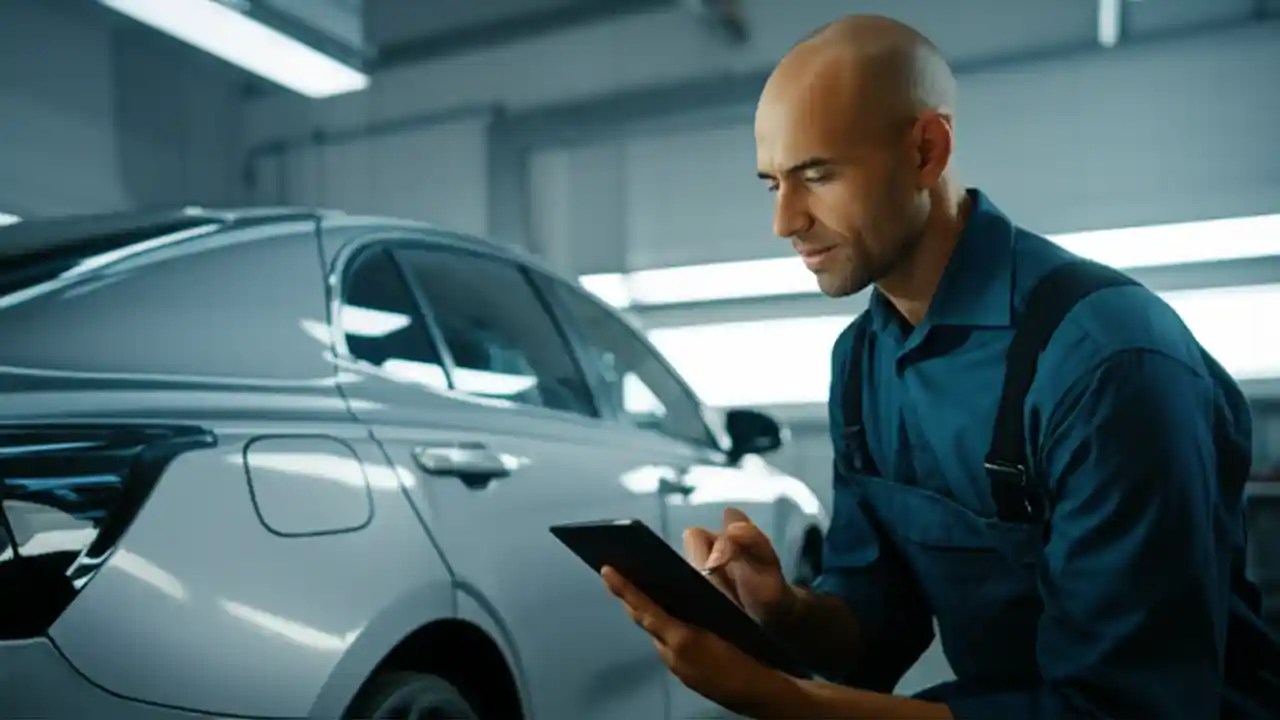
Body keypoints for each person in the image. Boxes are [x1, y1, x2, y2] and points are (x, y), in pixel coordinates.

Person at [600, 13, 1279, 720]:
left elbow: (1125, 711)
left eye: (817, 175)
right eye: (774, 185)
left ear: (927, 151)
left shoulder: (1108, 361)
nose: (786, 222)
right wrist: (783, 612)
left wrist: (783, 701)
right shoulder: (862, 362)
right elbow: (876, 624)